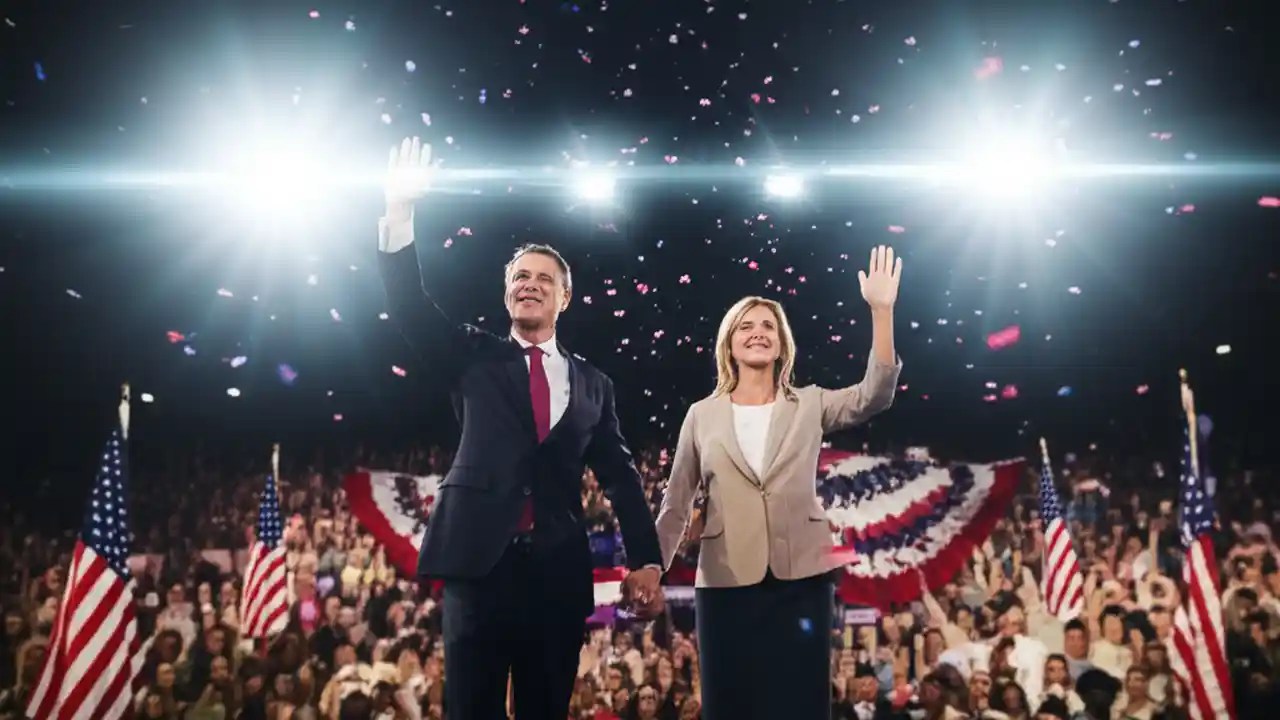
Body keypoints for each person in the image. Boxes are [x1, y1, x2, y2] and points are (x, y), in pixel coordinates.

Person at [376, 136, 665, 719]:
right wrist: (400, 211)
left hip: (555, 576)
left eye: (542, 278)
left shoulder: (594, 386)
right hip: (478, 567)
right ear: (507, 292)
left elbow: (622, 478)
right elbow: (409, 306)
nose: (528, 283)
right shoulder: (471, 356)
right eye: (519, 276)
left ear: (565, 296)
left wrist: (648, 560)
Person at [655, 245, 904, 719]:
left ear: (782, 344)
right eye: (745, 326)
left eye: (768, 325)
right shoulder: (701, 415)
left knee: (801, 706)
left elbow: (876, 395)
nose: (757, 333)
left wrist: (881, 312)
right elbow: (676, 502)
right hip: (726, 582)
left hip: (801, 582)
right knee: (730, 706)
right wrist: (652, 568)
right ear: (729, 344)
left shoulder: (810, 404)